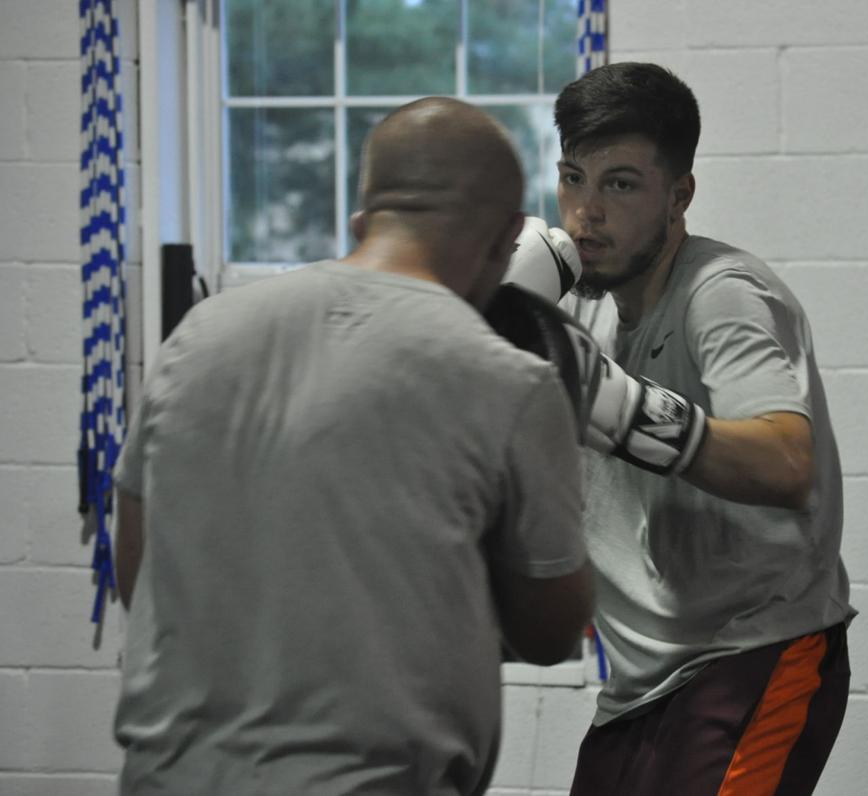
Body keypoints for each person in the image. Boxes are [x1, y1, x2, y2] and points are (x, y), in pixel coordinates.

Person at [111, 97, 594, 796]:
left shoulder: (198, 334)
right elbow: (552, 634)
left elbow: (141, 572)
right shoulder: (507, 379)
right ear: (507, 239)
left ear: (362, 220)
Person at [551, 62, 855, 795]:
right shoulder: (580, 311)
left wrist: (621, 410)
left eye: (619, 184)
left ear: (678, 195)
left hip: (753, 655)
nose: (586, 213)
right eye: (572, 178)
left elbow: (786, 462)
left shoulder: (721, 296)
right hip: (639, 685)